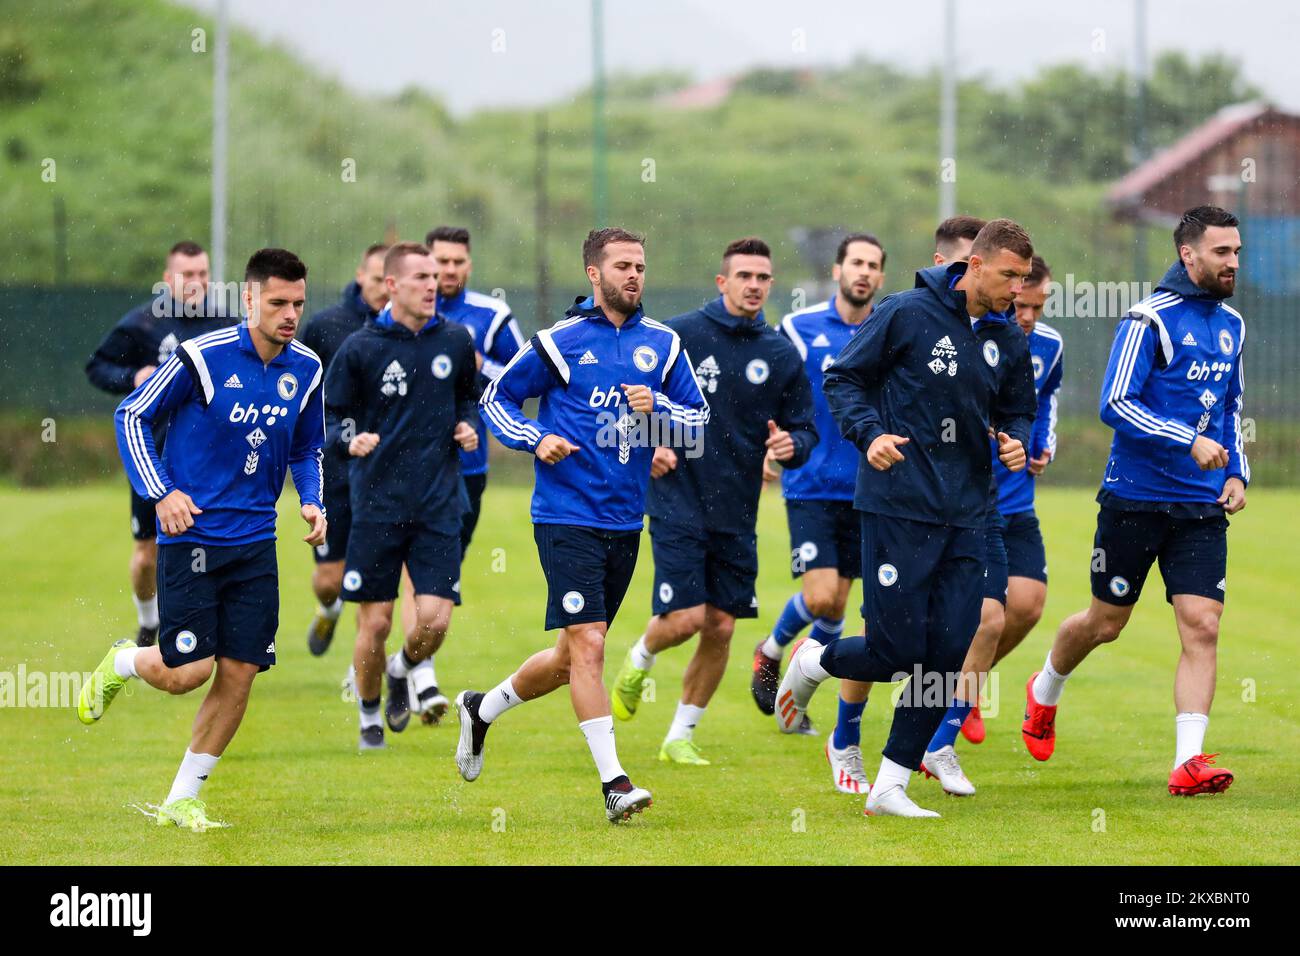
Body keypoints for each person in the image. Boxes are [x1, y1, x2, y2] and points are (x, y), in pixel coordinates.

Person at [775, 219, 1036, 818]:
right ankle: (814, 659)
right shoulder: (906, 312)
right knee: (897, 650)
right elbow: (843, 378)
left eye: (1024, 279)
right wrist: (868, 436)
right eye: (1008, 276)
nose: (1017, 291)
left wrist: (1016, 439)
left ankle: (889, 785)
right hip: (897, 505)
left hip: (969, 513)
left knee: (946, 655)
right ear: (974, 265)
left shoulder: (1009, 337)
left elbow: (1017, 407)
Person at [458, 227, 709, 822]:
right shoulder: (559, 342)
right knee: (592, 642)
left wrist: (660, 411)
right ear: (593, 274)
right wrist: (534, 437)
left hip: (625, 521)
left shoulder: (665, 346)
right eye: (622, 265)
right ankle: (614, 784)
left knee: (572, 657)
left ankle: (481, 708)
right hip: (565, 516)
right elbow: (496, 397)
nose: (634, 276)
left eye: (641, 266)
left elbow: (697, 425)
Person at [77, 248, 325, 832]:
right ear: (248, 299)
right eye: (278, 303)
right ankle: (127, 660)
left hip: (256, 544)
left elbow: (305, 447)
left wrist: (313, 499)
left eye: (298, 304)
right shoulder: (200, 358)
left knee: (239, 674)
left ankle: (183, 797)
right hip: (193, 541)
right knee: (187, 673)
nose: (290, 314)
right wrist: (161, 492)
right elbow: (132, 415)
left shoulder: (308, 367)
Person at [1023, 206, 1247, 797]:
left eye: (1237, 252)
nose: (1233, 262)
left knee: (1202, 624)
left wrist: (1238, 472)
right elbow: (1114, 403)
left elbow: (1230, 408)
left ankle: (1187, 762)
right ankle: (1045, 687)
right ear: (1188, 254)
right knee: (1105, 623)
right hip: (1135, 501)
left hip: (1200, 507)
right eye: (1221, 252)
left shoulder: (1234, 325)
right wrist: (1185, 438)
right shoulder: (1148, 320)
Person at [608, 237, 817, 766]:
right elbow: (622, 398)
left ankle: (680, 735)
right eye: (743, 276)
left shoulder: (780, 354)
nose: (754, 285)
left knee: (722, 626)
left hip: (738, 508)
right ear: (722, 282)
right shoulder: (678, 334)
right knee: (685, 618)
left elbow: (804, 430)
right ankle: (641, 655)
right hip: (678, 498)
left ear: (771, 285)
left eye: (762, 278)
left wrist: (791, 447)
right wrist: (647, 440)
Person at [324, 242, 480, 749]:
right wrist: (351, 437)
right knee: (376, 622)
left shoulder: (456, 340)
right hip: (376, 508)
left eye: (435, 276)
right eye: (420, 277)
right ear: (391, 285)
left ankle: (403, 668)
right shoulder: (361, 349)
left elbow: (467, 399)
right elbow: (329, 419)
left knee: (434, 619)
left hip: (439, 503)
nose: (433, 285)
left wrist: (467, 425)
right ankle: (369, 715)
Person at [750, 233, 885, 794]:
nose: (865, 272)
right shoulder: (800, 329)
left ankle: (795, 700)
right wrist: (769, 443)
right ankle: (773, 650)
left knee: (841, 604)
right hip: (809, 483)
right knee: (825, 595)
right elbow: (770, 392)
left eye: (875, 266)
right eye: (856, 262)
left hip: (869, 487)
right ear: (837, 270)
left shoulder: (889, 328)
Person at [392, 226, 526, 720]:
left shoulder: (490, 317)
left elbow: (521, 378)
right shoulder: (403, 313)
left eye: (456, 263)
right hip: (406, 470)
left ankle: (404, 663)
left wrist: (479, 362)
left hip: (467, 468)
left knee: (441, 581)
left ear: (469, 265)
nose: (447, 272)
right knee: (416, 574)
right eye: (439, 262)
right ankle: (423, 680)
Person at [85, 241, 237, 646]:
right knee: (146, 557)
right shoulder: (144, 324)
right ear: (168, 280)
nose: (197, 282)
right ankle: (149, 620)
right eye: (188, 275)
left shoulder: (226, 325)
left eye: (203, 274)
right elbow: (97, 367)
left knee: (216, 546)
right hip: (155, 459)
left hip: (210, 462)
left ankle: (208, 635)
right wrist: (132, 377)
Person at [301, 243, 389, 656]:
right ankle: (329, 610)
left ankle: (363, 673)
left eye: (390, 282)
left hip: (388, 469)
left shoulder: (412, 331)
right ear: (360, 276)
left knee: (373, 582)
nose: (383, 290)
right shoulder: (325, 326)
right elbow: (299, 389)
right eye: (376, 280)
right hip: (335, 466)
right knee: (330, 580)